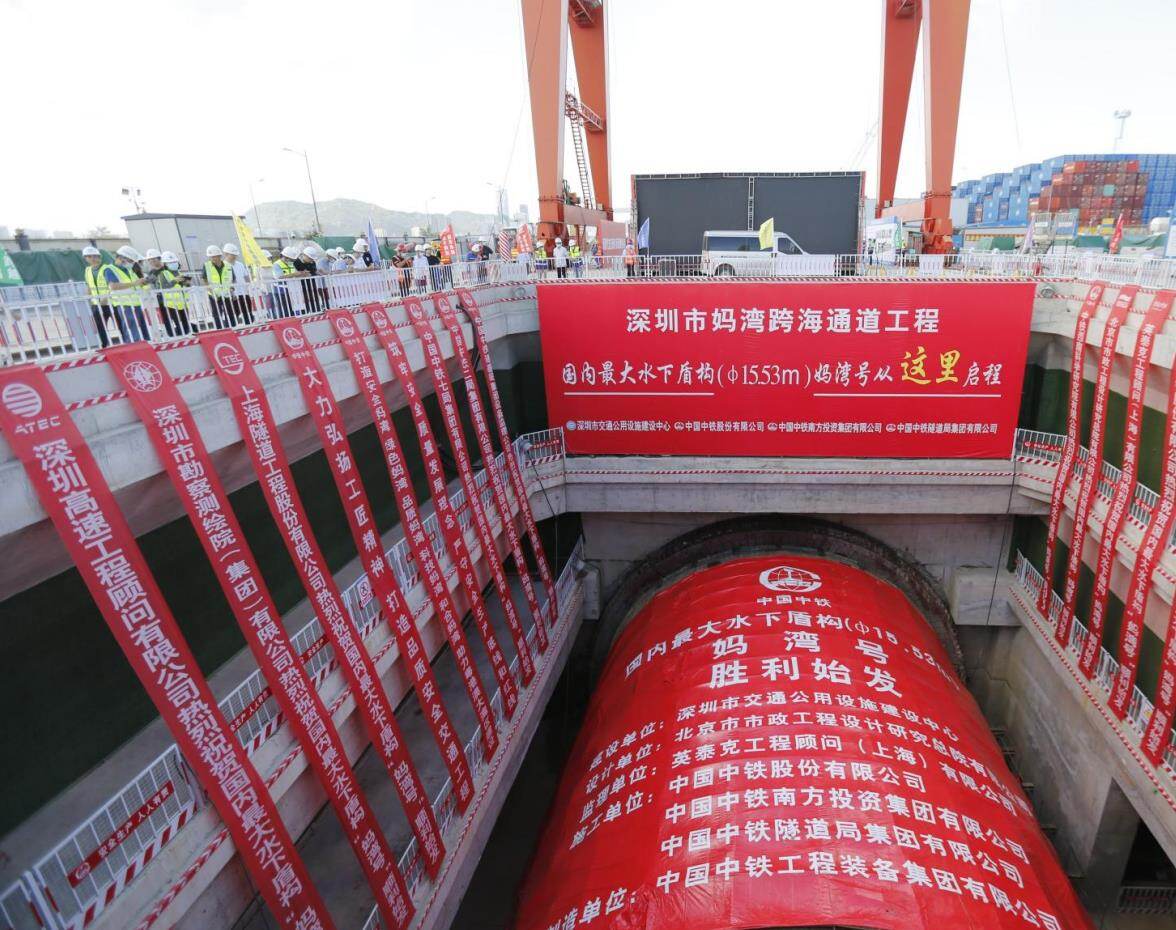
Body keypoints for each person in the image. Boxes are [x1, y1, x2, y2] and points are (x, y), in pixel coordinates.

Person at [82, 245, 123, 347]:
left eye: (95, 256)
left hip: (111, 303)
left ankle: (127, 342)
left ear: (100, 257)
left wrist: (106, 297)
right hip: (96, 304)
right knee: (100, 326)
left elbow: (112, 285)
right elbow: (89, 285)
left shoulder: (107, 269)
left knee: (120, 324)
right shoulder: (87, 270)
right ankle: (104, 345)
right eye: (89, 257)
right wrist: (88, 298)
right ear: (86, 258)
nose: (93, 258)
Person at [151, 251, 191, 337]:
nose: (174, 264)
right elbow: (164, 287)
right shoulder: (163, 274)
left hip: (182, 303)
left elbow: (182, 287)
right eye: (171, 263)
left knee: (186, 324)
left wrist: (186, 283)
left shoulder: (178, 272)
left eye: (174, 262)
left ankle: (186, 335)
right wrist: (175, 281)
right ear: (165, 264)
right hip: (171, 304)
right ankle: (179, 337)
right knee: (178, 324)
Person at [203, 245, 235, 329]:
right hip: (214, 294)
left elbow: (233, 278)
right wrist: (210, 291)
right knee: (217, 314)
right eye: (211, 257)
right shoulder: (206, 266)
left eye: (214, 256)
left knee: (230, 312)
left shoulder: (228, 266)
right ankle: (220, 329)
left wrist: (232, 289)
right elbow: (205, 280)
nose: (213, 259)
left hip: (226, 293)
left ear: (219, 256)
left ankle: (232, 328)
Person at [223, 243, 254, 326]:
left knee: (247, 310)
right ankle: (230, 328)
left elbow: (246, 276)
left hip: (243, 292)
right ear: (225, 254)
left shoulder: (240, 264)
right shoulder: (223, 266)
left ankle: (249, 325)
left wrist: (248, 286)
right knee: (233, 312)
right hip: (231, 294)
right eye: (232, 254)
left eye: (235, 255)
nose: (234, 256)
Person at [271, 245, 302, 318]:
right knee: (284, 308)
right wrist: (294, 274)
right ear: (285, 257)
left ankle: (292, 318)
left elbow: (295, 272)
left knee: (292, 307)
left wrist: (301, 274)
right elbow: (279, 277)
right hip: (280, 290)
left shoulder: (291, 264)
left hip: (291, 289)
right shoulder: (276, 264)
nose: (291, 261)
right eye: (290, 259)